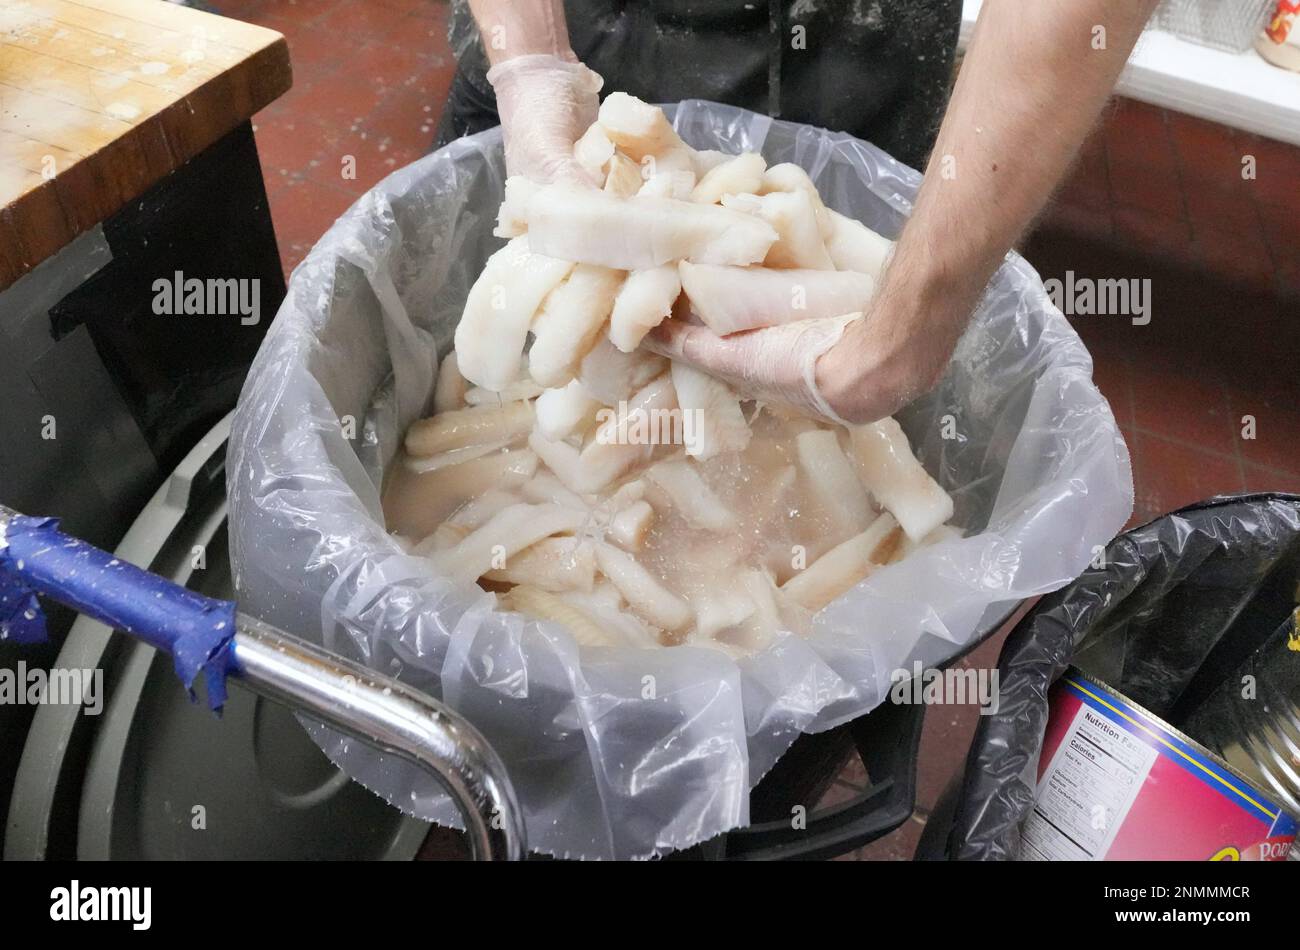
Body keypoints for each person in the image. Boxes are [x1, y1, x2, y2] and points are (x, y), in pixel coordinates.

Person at [444, 0, 1161, 424]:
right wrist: (530, 64)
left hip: (858, 48)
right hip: (579, 32)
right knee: (505, 387)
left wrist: (907, 330)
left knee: (809, 413)